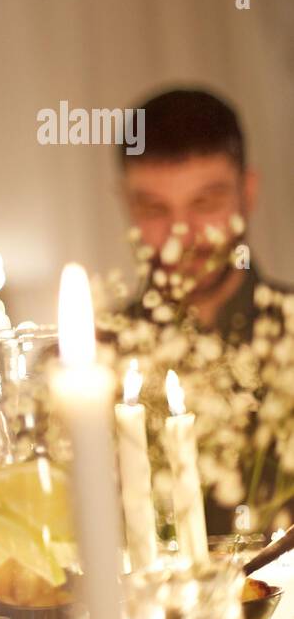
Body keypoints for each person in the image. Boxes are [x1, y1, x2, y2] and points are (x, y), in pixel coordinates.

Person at [118, 87, 291, 532]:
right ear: (126, 205)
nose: (181, 233)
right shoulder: (90, 367)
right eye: (155, 209)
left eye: (205, 203)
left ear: (247, 193)